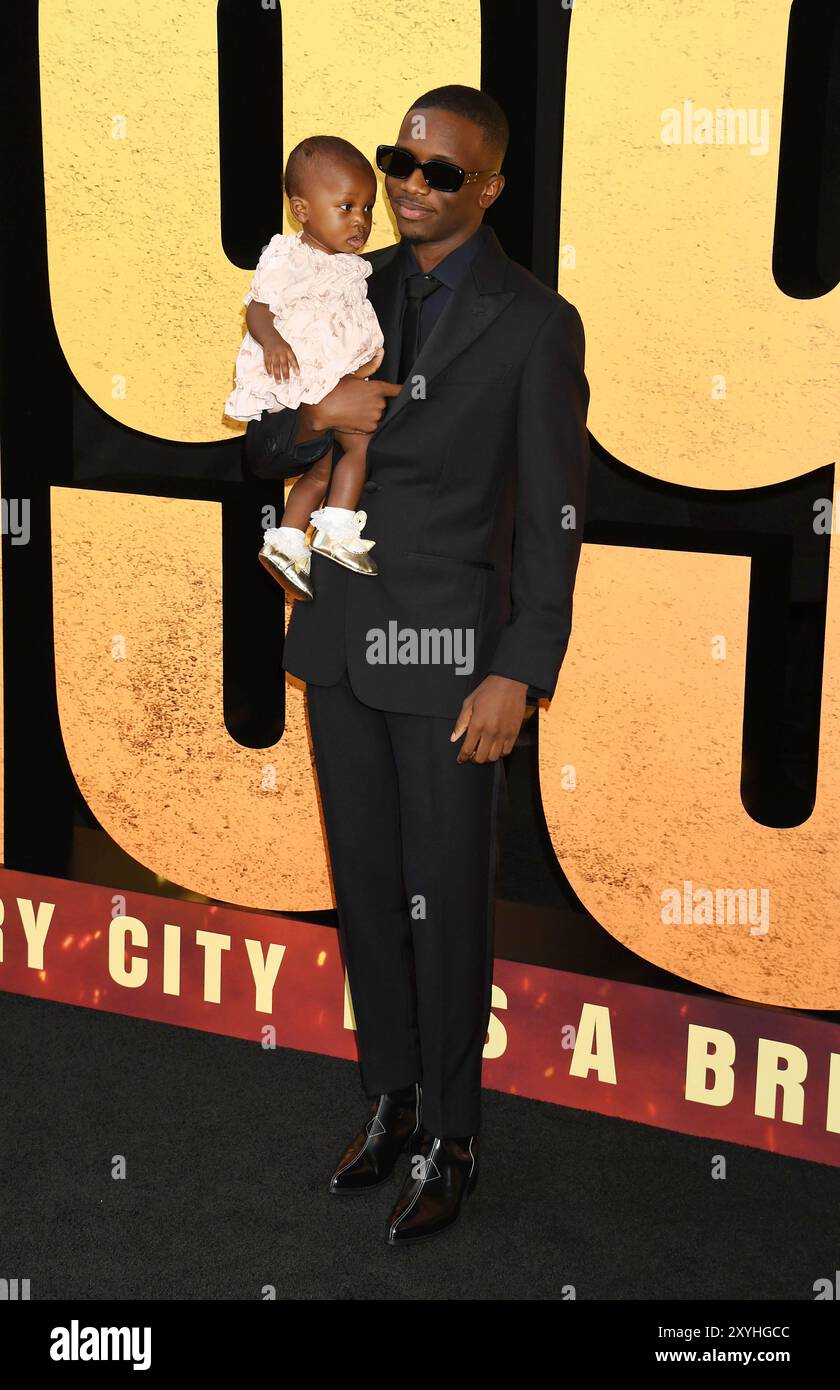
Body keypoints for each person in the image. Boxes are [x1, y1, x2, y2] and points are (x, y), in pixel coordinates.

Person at [244, 85, 591, 1245]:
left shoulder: (536, 323)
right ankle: (389, 1098)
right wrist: (315, 417)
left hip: (450, 661)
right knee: (367, 892)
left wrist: (519, 668)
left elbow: (552, 515)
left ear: (489, 188)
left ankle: (456, 1131)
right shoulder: (345, 279)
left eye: (442, 171)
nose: (409, 183)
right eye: (402, 159)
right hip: (341, 644)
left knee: (445, 909)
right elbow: (261, 436)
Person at [224, 137, 390, 601]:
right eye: (346, 207)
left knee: (322, 469)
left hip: (334, 376)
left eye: (367, 208)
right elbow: (258, 308)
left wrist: (365, 359)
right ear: (301, 209)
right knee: (356, 446)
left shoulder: (351, 268)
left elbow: (348, 320)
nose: (360, 220)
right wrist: (272, 341)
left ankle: (287, 539)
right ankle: (336, 528)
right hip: (301, 376)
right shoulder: (288, 256)